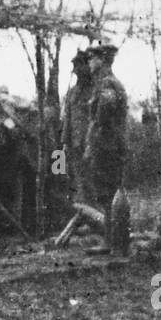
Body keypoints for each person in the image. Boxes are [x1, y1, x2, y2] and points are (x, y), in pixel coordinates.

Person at [82, 42, 129, 212]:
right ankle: (111, 235)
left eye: (92, 58)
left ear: (101, 60)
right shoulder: (105, 84)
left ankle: (112, 237)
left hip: (106, 148)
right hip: (108, 147)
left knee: (108, 196)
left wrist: (91, 145)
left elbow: (102, 119)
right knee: (108, 197)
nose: (89, 62)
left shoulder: (107, 84)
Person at [60, 49, 93, 202]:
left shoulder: (95, 91)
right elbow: (67, 118)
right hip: (74, 144)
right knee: (73, 179)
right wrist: (64, 143)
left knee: (89, 181)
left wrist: (90, 144)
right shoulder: (72, 93)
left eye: (79, 68)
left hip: (90, 144)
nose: (76, 73)